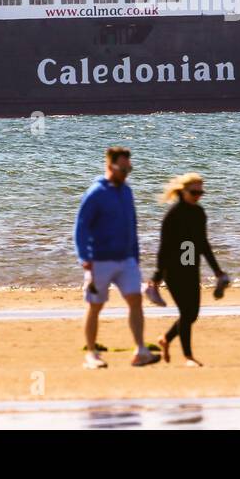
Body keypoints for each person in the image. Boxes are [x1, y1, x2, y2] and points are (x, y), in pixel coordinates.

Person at [74, 146, 158, 369]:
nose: (126, 173)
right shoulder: (96, 193)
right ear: (110, 166)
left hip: (126, 260)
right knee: (95, 306)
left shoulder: (126, 191)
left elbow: (132, 225)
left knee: (135, 300)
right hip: (99, 260)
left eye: (129, 168)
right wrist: (84, 258)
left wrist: (136, 256)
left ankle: (140, 350)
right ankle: (92, 354)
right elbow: (81, 228)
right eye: (123, 169)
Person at [147, 173, 229, 367]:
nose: (197, 195)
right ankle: (188, 357)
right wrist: (158, 276)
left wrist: (217, 271)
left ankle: (165, 339)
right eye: (194, 192)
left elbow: (202, 244)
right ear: (182, 191)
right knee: (186, 312)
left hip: (191, 266)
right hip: (173, 271)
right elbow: (164, 247)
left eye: (201, 192)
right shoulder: (173, 215)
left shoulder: (199, 213)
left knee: (192, 314)